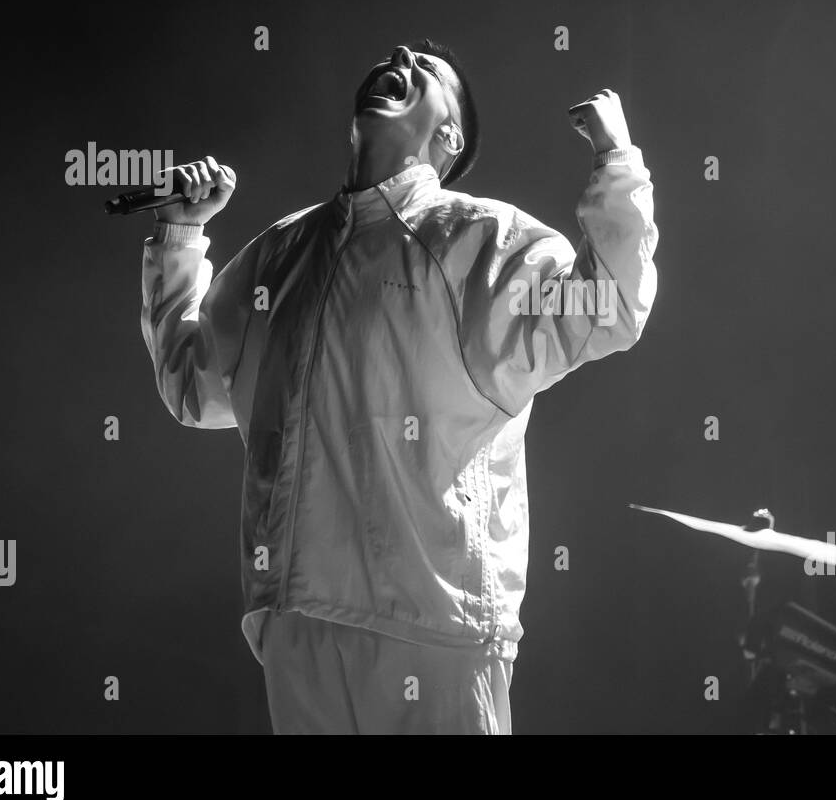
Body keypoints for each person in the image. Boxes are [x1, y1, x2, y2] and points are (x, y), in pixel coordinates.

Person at [139, 40, 658, 733]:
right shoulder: (280, 252)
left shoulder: (483, 240)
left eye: (429, 71)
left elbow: (612, 307)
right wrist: (180, 233)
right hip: (298, 623)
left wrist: (617, 160)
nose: (402, 53)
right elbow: (191, 385)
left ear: (450, 135)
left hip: (437, 627)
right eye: (397, 56)